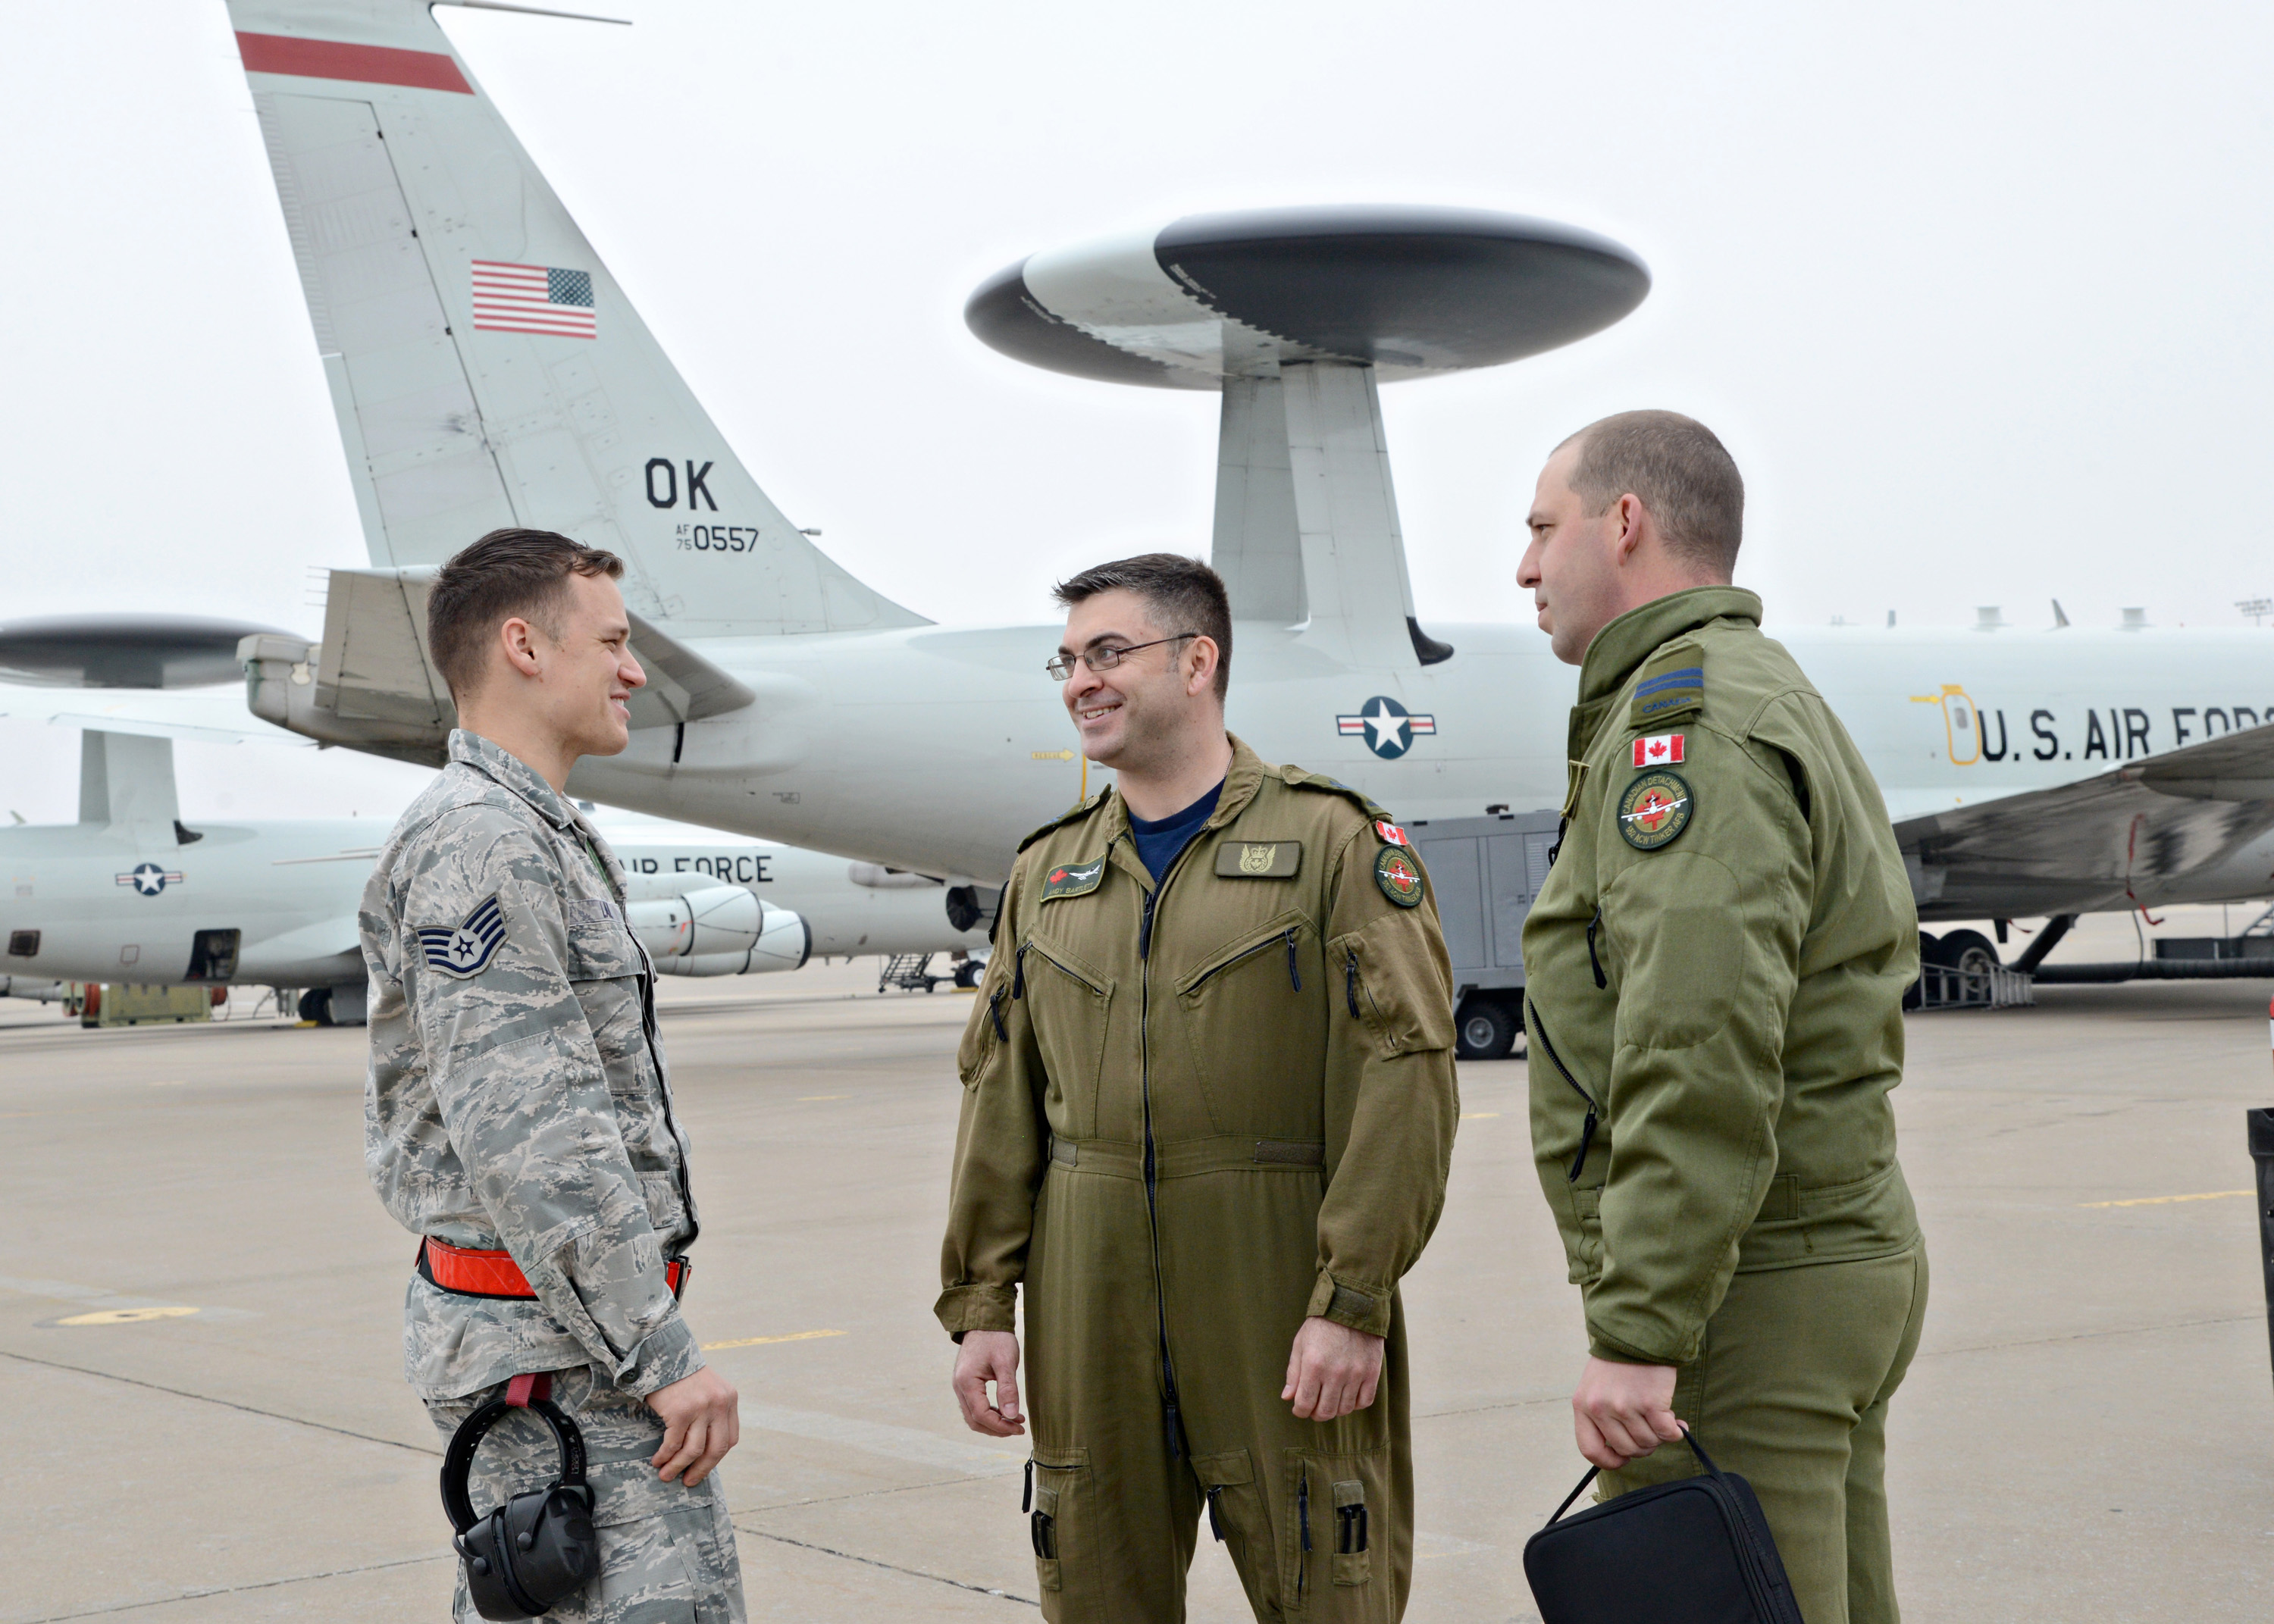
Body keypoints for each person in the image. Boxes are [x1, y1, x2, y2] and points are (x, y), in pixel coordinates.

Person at [936, 552, 1460, 1622]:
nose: (1082, 680)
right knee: (1093, 1590)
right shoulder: (1048, 873)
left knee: (1328, 1586)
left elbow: (1404, 1080)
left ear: (1199, 662)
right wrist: (984, 1303)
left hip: (1275, 1279)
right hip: (1088, 1296)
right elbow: (1000, 1096)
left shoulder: (1334, 844)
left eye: (1110, 653)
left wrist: (1352, 1299)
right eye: (1069, 660)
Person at [1516, 411, 1927, 1624]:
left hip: (1749, 1288)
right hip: (1810, 1250)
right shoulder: (1753, 691)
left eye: (1544, 528)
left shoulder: (1686, 729)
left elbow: (1700, 1038)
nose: (1526, 567)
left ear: (1625, 524)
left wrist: (1643, 1324)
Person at [360, 527, 745, 1622]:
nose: (634, 669)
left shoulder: (531, 828)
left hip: (562, 1344)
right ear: (524, 645)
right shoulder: (483, 841)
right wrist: (656, 1352)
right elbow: (532, 1129)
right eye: (615, 642)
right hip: (563, 1360)